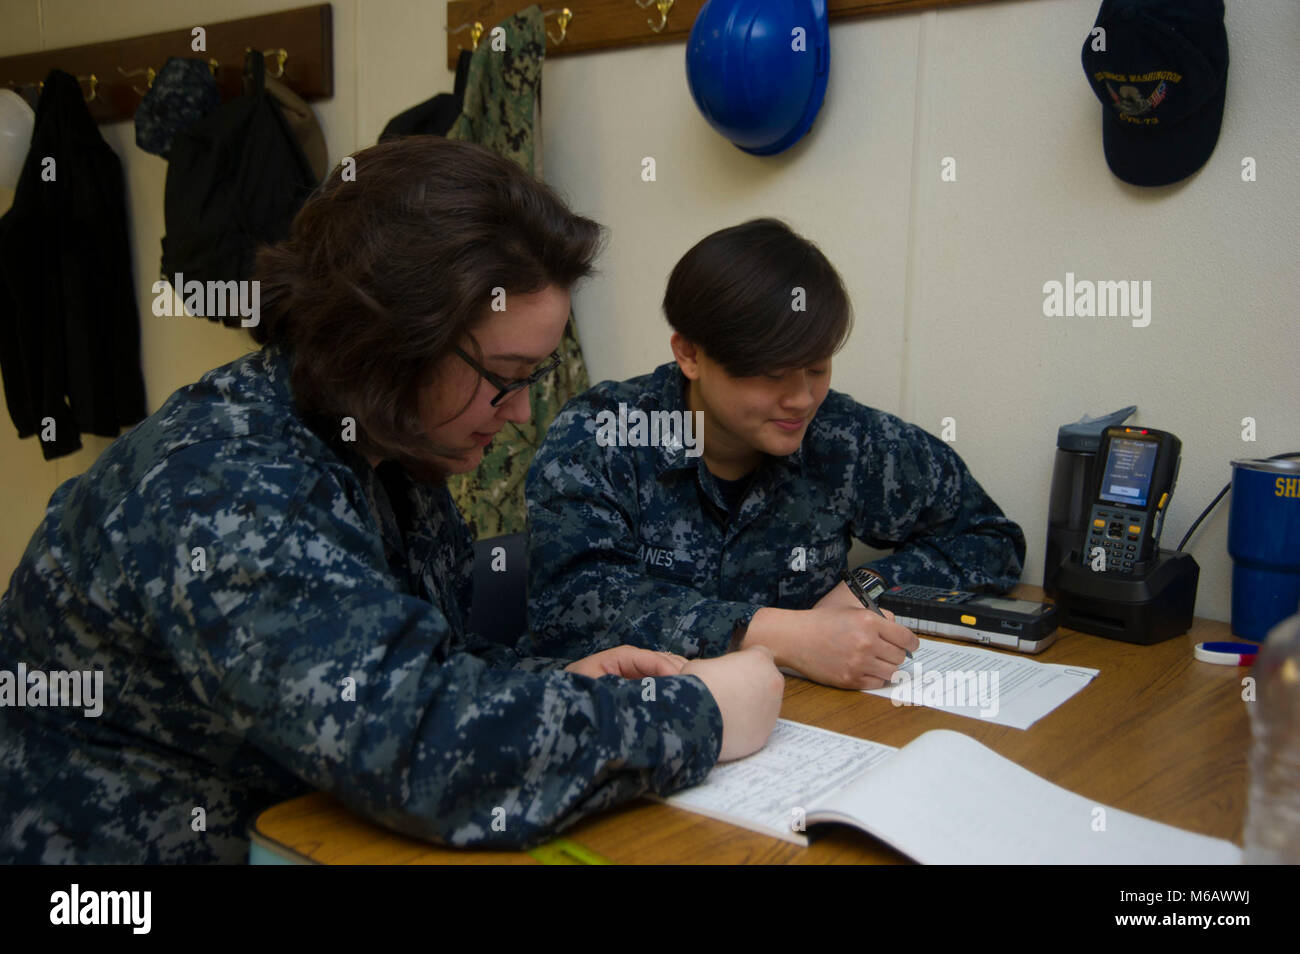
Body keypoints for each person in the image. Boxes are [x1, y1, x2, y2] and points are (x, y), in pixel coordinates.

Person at [0, 138, 784, 864]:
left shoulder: (389, 450)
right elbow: (412, 748)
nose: (519, 414)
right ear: (390, 340)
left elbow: (420, 663)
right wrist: (698, 717)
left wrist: (558, 685)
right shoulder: (224, 483)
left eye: (534, 377)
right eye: (507, 375)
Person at [525, 218, 1027, 690]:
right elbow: (572, 609)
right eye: (771, 374)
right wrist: (784, 636)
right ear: (690, 354)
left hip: (805, 730)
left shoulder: (840, 437)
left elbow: (990, 539)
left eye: (818, 368)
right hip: (633, 724)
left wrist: (865, 586)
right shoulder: (604, 433)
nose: (802, 399)